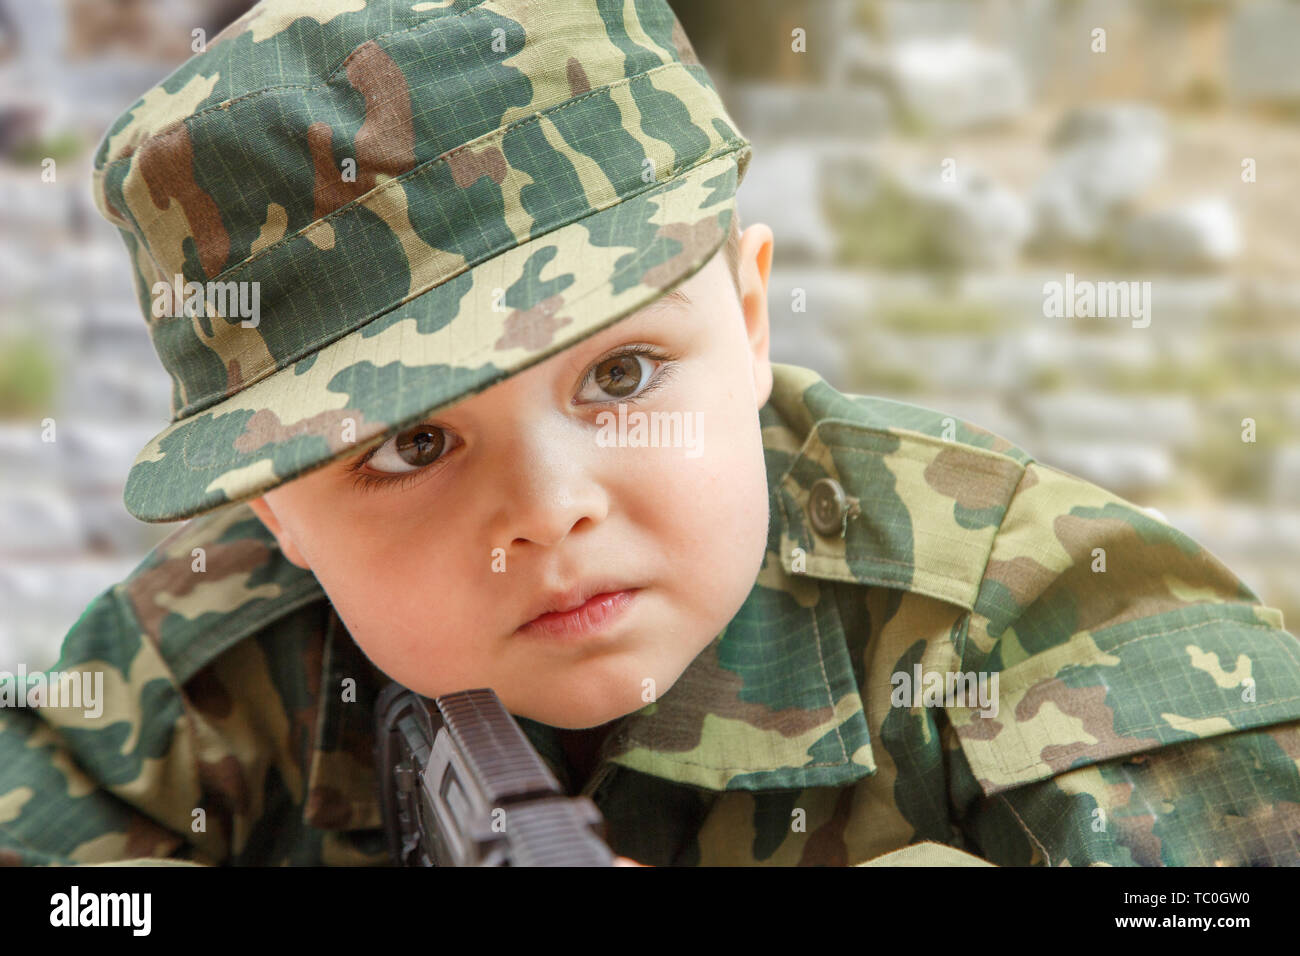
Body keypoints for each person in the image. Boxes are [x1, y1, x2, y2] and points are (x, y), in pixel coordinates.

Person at [3, 0, 1299, 867]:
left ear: (748, 319)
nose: (550, 508)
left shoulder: (1042, 624)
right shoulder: (200, 668)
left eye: (620, 372)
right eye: (408, 445)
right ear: (273, 506)